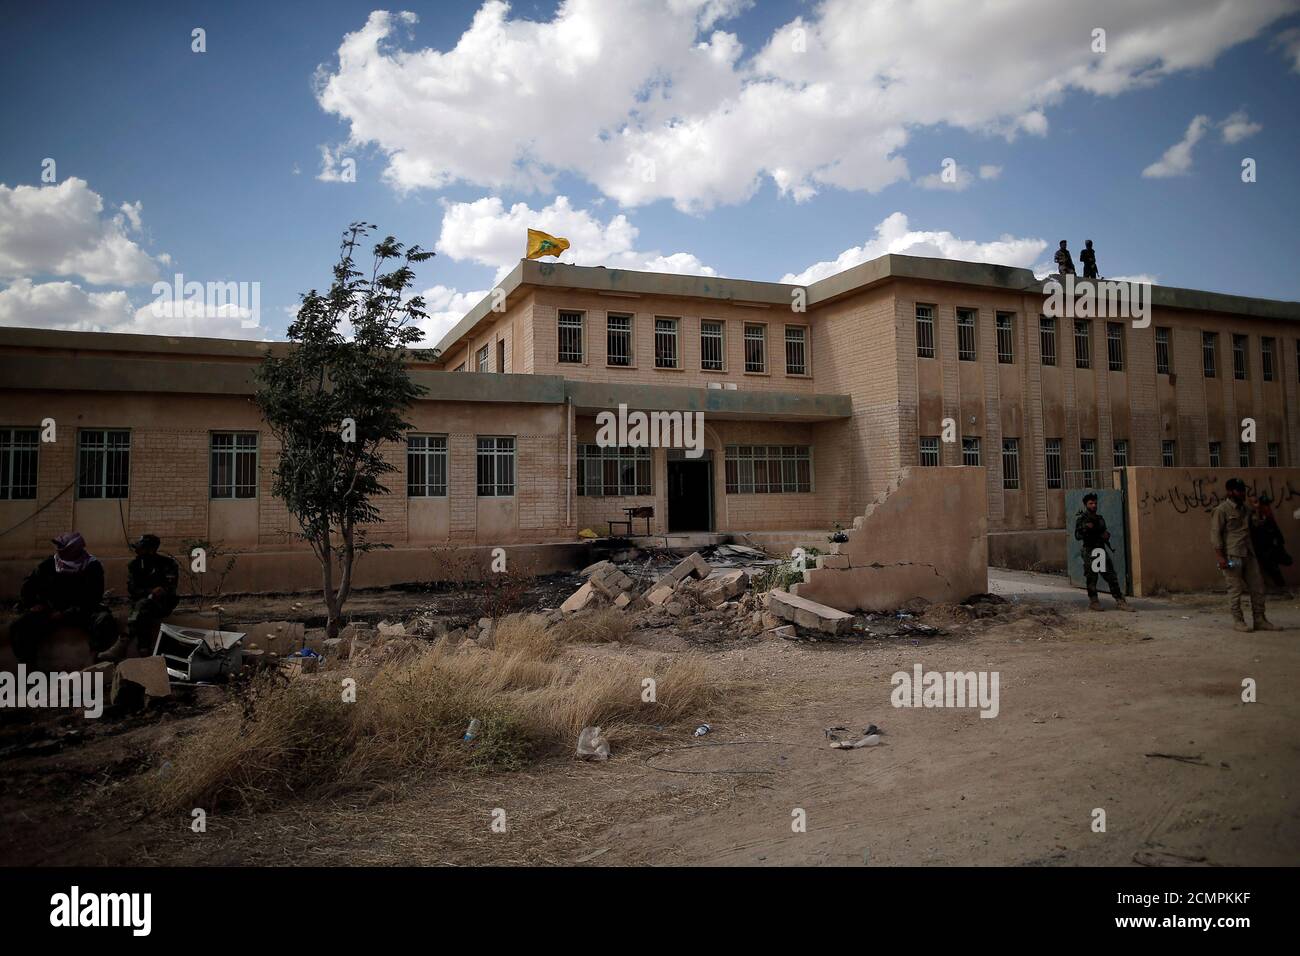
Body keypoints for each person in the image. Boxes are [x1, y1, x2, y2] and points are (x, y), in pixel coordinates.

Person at [8, 532, 118, 665]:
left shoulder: (92, 566)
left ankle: (96, 661)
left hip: (81, 612)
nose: (59, 551)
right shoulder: (50, 563)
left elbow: (92, 598)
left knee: (104, 621)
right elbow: (29, 586)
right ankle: (28, 666)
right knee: (18, 627)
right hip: (51, 611)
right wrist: (34, 604)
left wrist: (66, 613)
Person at [97, 533, 180, 662]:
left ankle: (122, 644)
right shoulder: (134, 565)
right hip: (141, 604)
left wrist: (160, 591)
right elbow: (133, 589)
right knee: (143, 610)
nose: (137, 550)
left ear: (151, 549)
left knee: (141, 608)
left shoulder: (167, 564)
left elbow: (170, 588)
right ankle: (143, 651)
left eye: (141, 548)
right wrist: (150, 591)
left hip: (162, 603)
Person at [1211, 479, 1280, 632]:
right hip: (1232, 555)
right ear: (1230, 491)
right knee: (1235, 589)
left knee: (1258, 587)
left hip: (1248, 553)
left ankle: (1260, 620)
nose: (1242, 493)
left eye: (1243, 490)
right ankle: (1238, 621)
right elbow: (1215, 534)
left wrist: (1257, 509)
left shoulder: (1246, 509)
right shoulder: (1221, 510)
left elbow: (1257, 524)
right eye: (1238, 490)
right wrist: (1220, 557)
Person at [1074, 493, 1133, 611]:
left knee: (1111, 576)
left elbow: (1104, 533)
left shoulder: (1100, 519)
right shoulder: (1082, 520)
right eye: (1091, 503)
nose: (1094, 505)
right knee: (1092, 577)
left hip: (1100, 549)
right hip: (1090, 551)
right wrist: (1086, 528)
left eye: (1095, 503)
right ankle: (1094, 601)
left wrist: (1106, 536)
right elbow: (1077, 535)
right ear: (1086, 505)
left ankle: (1120, 600)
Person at [1249, 492, 1293, 597]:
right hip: (1262, 549)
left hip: (1271, 548)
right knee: (1269, 569)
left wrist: (1279, 542)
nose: (1267, 507)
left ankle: (1279, 589)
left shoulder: (1268, 515)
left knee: (1275, 568)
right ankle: (1275, 589)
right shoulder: (1255, 516)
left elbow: (1275, 531)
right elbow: (1257, 528)